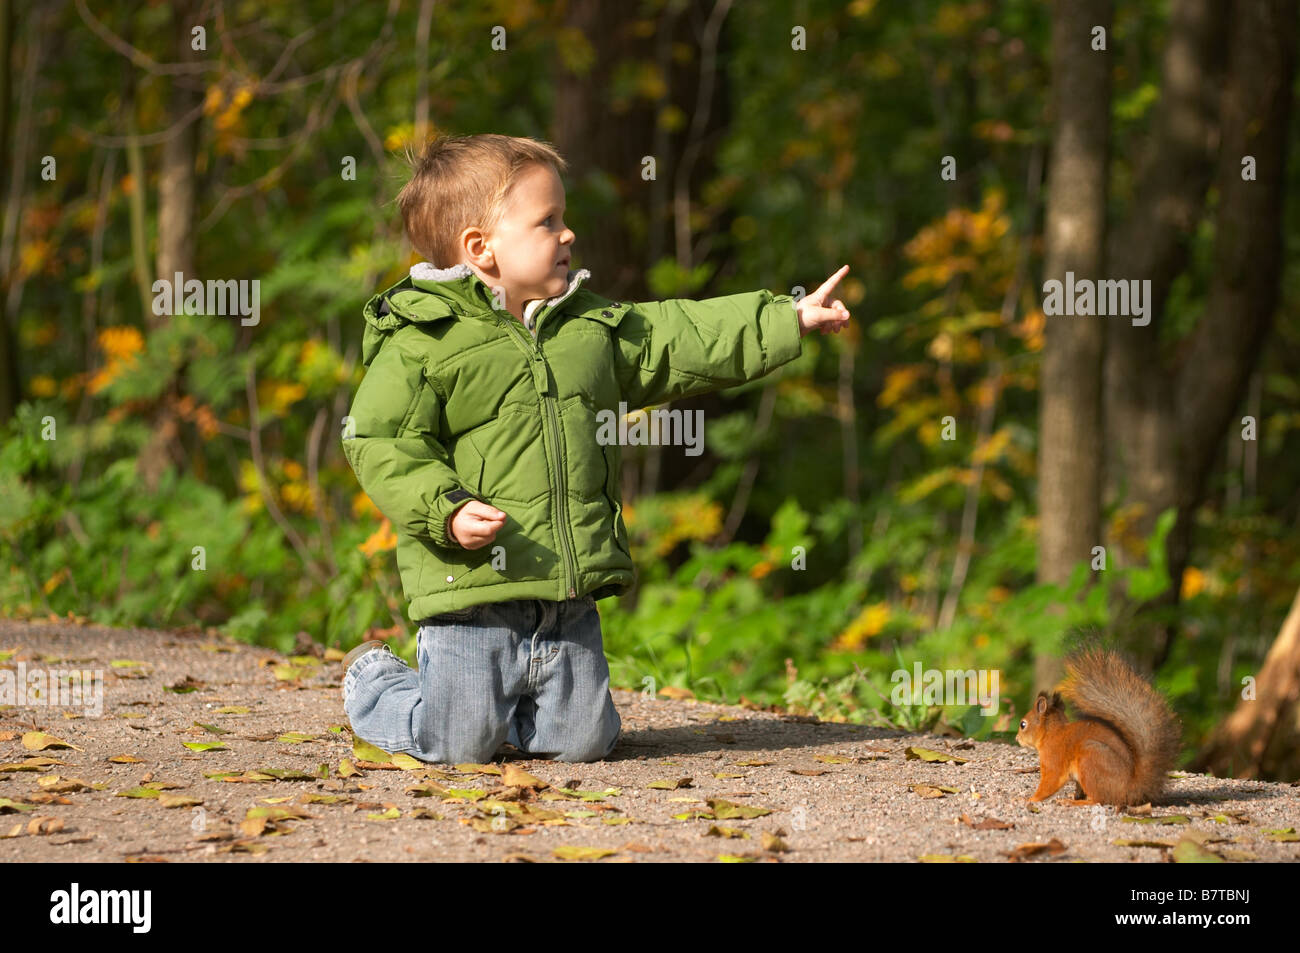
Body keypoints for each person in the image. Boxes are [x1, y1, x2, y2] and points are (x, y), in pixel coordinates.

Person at [340, 133, 852, 764]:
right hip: (470, 590)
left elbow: (677, 337)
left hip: (565, 588)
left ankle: (518, 711)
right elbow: (381, 441)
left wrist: (784, 319)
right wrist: (444, 508)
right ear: (482, 248)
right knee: (458, 745)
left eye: (564, 218)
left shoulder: (588, 327)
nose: (568, 234)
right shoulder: (424, 338)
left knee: (582, 744)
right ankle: (376, 683)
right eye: (547, 221)